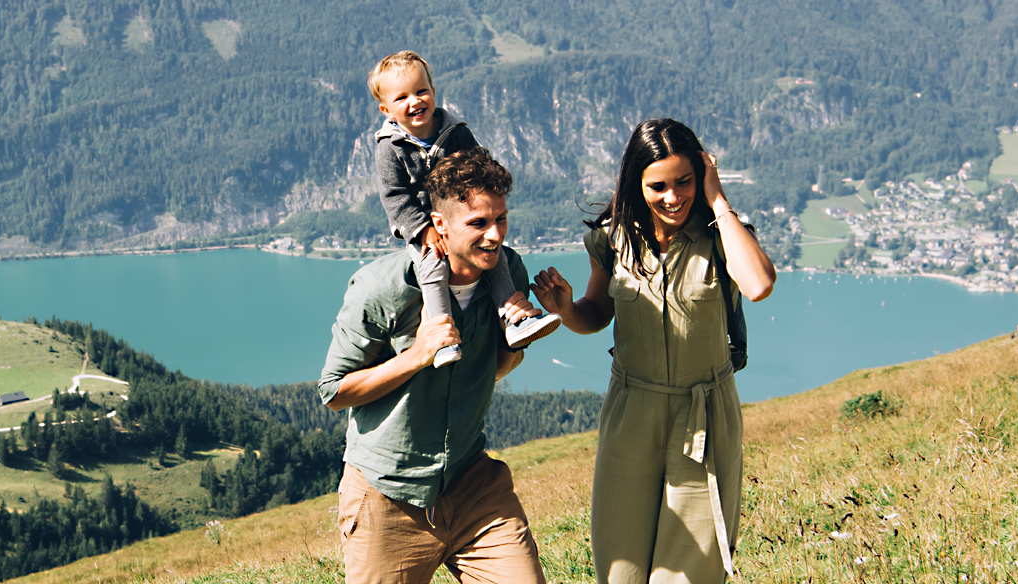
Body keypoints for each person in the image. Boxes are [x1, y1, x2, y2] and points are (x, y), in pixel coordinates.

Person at [531, 119, 776, 584]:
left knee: (690, 573)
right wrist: (566, 309)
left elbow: (759, 285)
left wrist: (717, 197)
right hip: (631, 413)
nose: (673, 197)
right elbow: (597, 313)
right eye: (657, 186)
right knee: (619, 569)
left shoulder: (722, 235)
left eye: (684, 181)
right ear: (635, 185)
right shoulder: (611, 238)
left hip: (704, 415)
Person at [321, 147, 547, 584]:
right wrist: (417, 355)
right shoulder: (383, 287)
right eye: (478, 223)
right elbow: (333, 391)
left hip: (473, 484)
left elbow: (495, 368)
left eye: (501, 219)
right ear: (439, 225)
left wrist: (518, 337)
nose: (495, 235)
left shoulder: (508, 273)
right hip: (388, 497)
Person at [368, 50, 560, 367]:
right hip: (424, 229)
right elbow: (394, 196)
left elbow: (481, 169)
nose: (415, 101)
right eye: (402, 97)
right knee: (432, 267)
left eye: (421, 91)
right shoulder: (390, 147)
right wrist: (422, 230)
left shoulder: (456, 132)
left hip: (465, 223)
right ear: (386, 109)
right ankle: (443, 339)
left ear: (433, 91)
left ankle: (514, 320)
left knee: (494, 256)